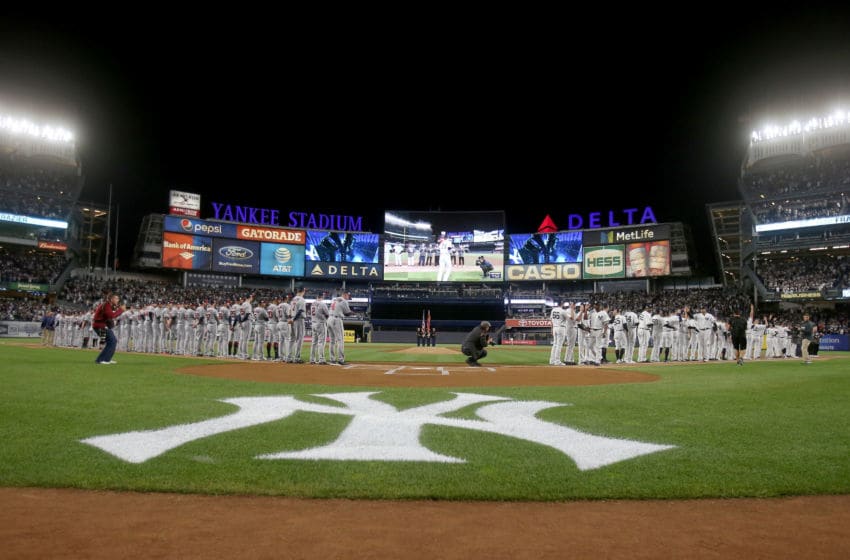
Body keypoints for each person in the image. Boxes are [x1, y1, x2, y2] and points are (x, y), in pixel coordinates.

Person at [93, 293, 126, 365]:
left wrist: (117, 309)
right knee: (112, 341)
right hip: (100, 325)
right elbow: (111, 316)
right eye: (116, 298)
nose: (118, 300)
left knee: (112, 341)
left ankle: (106, 359)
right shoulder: (106, 305)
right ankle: (101, 360)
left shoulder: (107, 305)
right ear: (112, 299)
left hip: (101, 325)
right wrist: (120, 310)